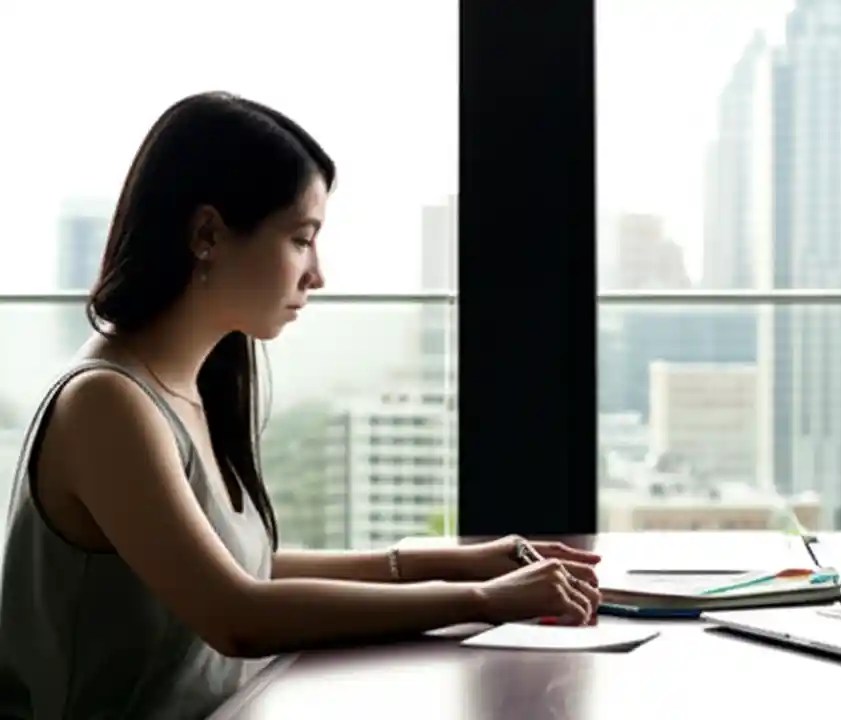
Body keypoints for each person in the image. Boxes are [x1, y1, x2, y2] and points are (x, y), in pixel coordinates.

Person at [0, 91, 603, 719]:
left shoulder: (191, 385)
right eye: (300, 239)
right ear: (207, 235)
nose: (316, 274)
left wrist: (452, 564)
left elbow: (245, 570)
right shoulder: (106, 404)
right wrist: (484, 599)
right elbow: (237, 614)